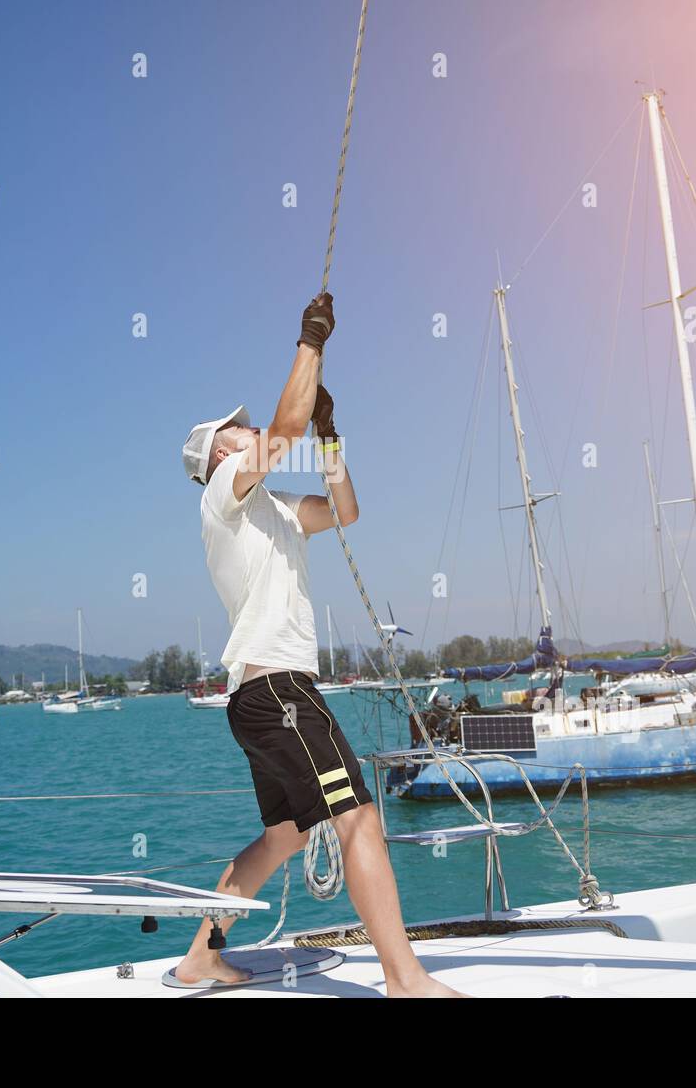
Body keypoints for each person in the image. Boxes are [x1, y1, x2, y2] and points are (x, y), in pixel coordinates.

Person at [175, 292, 462, 997]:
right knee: (359, 816)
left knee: (283, 836)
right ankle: (405, 979)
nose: (250, 430)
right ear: (218, 452)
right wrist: (310, 342)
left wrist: (330, 436)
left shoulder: (270, 510)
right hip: (281, 693)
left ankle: (199, 956)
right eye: (239, 428)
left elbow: (344, 509)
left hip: (259, 698)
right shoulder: (220, 494)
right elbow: (288, 421)